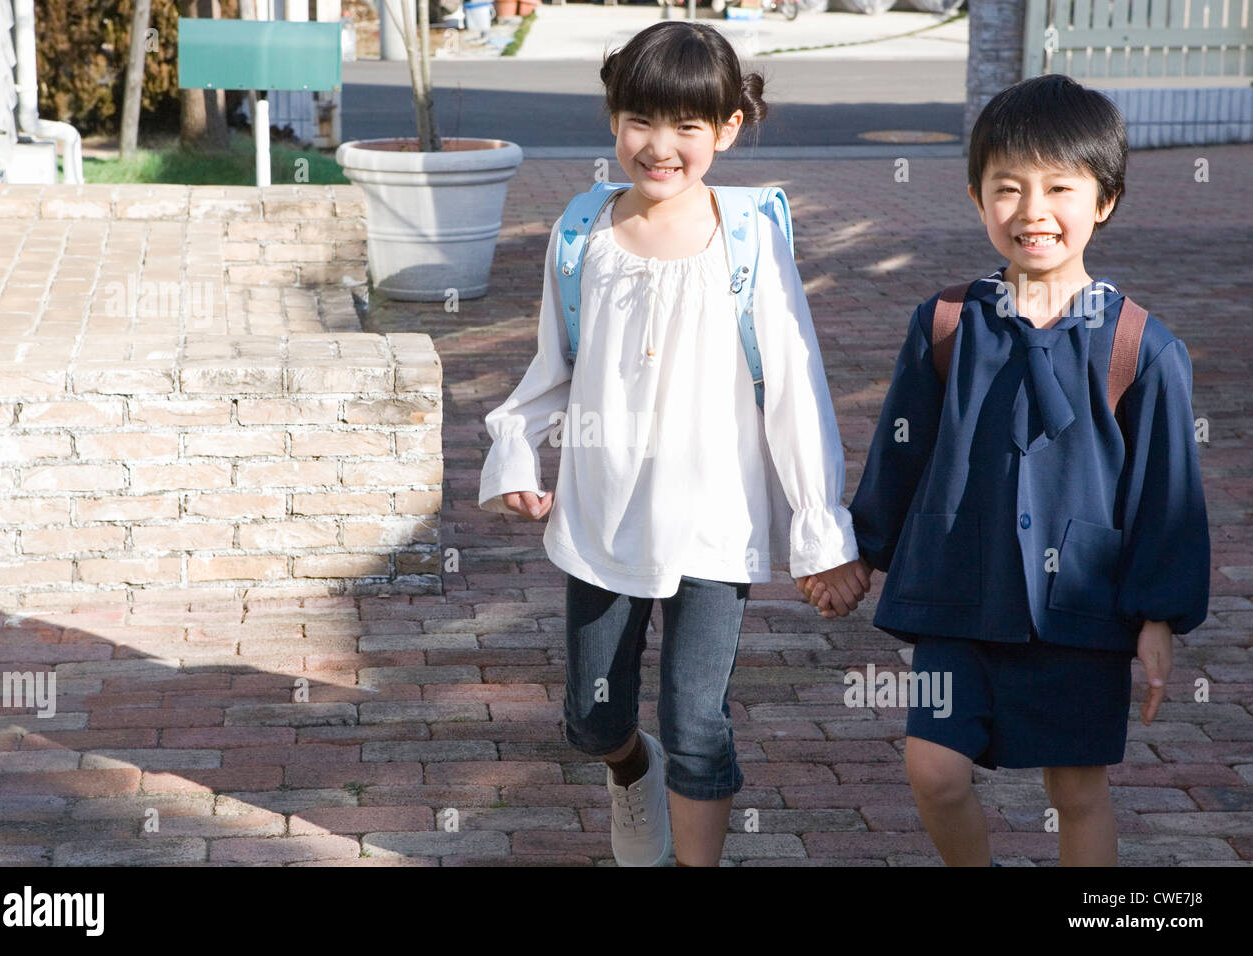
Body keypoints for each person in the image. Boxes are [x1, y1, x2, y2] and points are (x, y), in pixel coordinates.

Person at [477, 20, 869, 867]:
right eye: (640, 121)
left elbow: (796, 387)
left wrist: (821, 530)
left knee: (696, 723)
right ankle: (630, 770)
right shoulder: (581, 234)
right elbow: (555, 365)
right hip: (603, 514)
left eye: (688, 125)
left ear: (728, 127)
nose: (660, 147)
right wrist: (517, 447)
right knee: (594, 721)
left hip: (715, 522)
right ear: (613, 120)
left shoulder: (751, 238)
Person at [827, 74, 1210, 866]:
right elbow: (900, 449)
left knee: (1076, 792)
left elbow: (1166, 495)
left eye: (1060, 188)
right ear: (977, 198)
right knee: (933, 771)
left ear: (1104, 200)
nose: (1033, 210)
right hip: (957, 594)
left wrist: (1159, 618)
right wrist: (858, 551)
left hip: (1081, 610)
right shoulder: (945, 324)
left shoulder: (1142, 346)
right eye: (1008, 187)